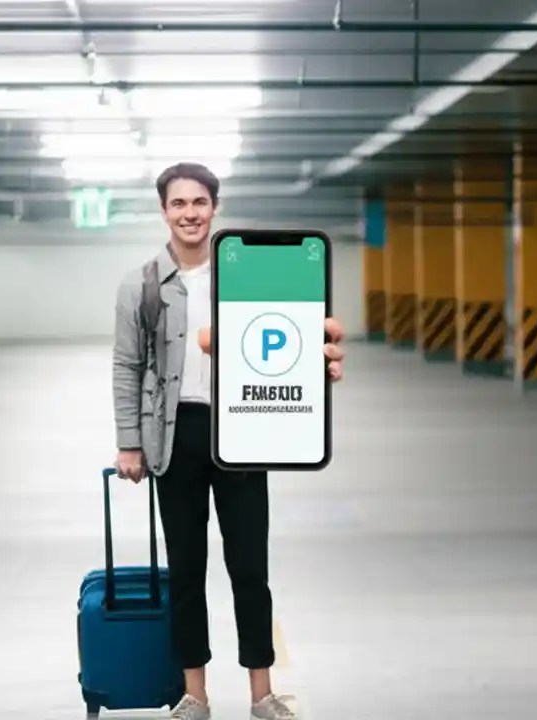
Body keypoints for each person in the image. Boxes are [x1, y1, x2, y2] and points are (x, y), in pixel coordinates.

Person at [112, 162, 345, 720]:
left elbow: (286, 340)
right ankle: (195, 694)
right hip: (174, 436)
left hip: (240, 431)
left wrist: (321, 362)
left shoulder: (246, 276)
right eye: (177, 204)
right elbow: (127, 366)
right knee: (187, 570)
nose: (189, 213)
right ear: (164, 211)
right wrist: (129, 443)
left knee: (249, 568)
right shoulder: (141, 284)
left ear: (215, 208)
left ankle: (261, 694)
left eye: (199, 203)